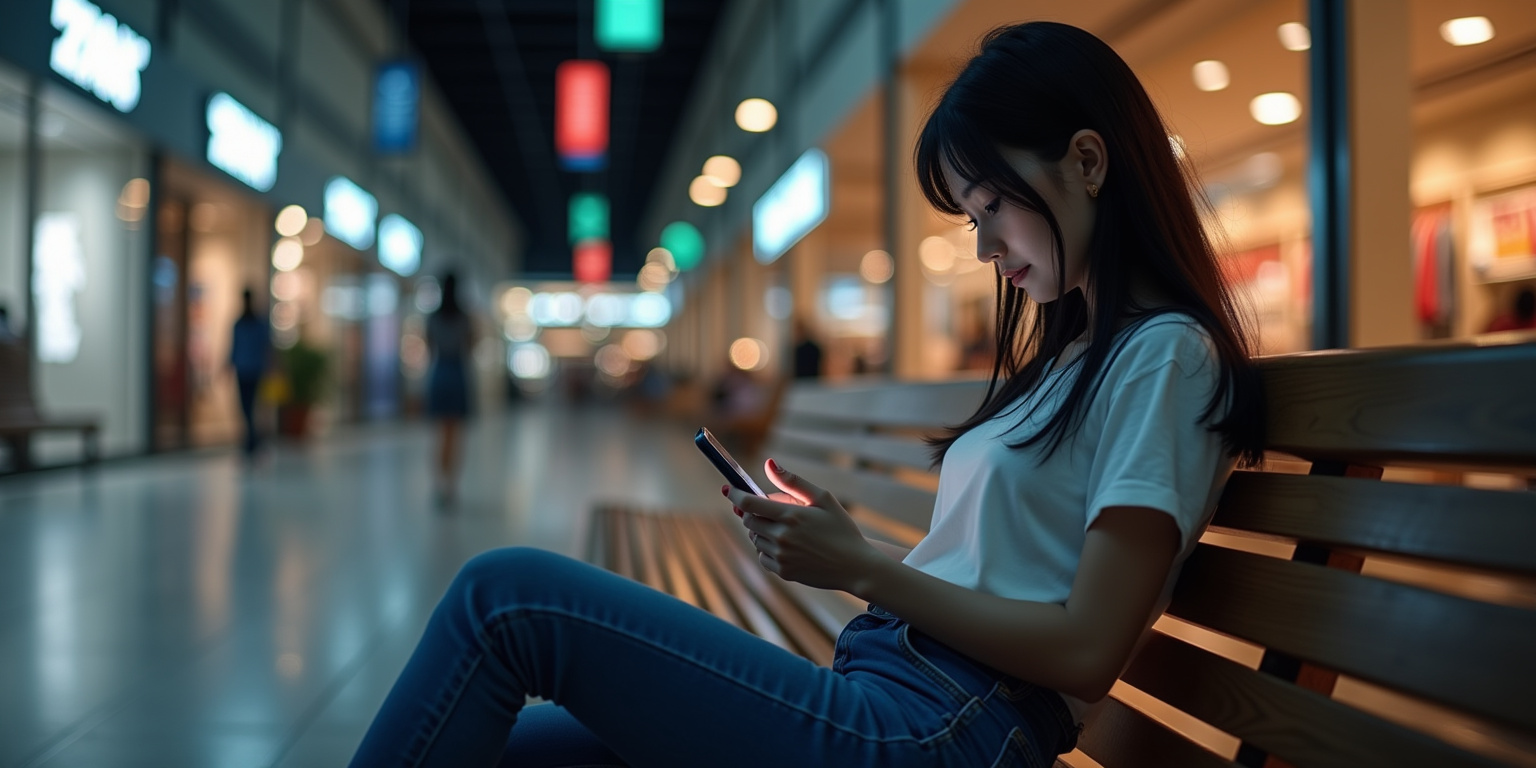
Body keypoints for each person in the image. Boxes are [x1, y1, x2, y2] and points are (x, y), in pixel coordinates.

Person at [349, 21, 1265, 767]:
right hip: (898, 692)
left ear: (1089, 163)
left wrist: (863, 569)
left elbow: (1087, 651)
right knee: (507, 744)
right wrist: (852, 550)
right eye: (972, 217)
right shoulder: (1076, 359)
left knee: (505, 599)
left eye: (992, 206)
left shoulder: (1167, 358)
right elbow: (1000, 575)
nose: (986, 247)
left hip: (942, 729)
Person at [426, 273, 474, 505]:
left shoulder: (433, 318)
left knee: (440, 434)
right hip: (457, 373)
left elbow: (429, 347)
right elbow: (470, 346)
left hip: (439, 373)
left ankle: (440, 483)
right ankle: (451, 486)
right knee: (455, 435)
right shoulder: (465, 318)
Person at [229, 289, 270, 457]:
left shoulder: (255, 324)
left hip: (252, 370)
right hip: (247, 369)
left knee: (250, 407)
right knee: (247, 407)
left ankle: (252, 441)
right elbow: (234, 348)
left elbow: (266, 347)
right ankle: (252, 440)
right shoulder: (242, 324)